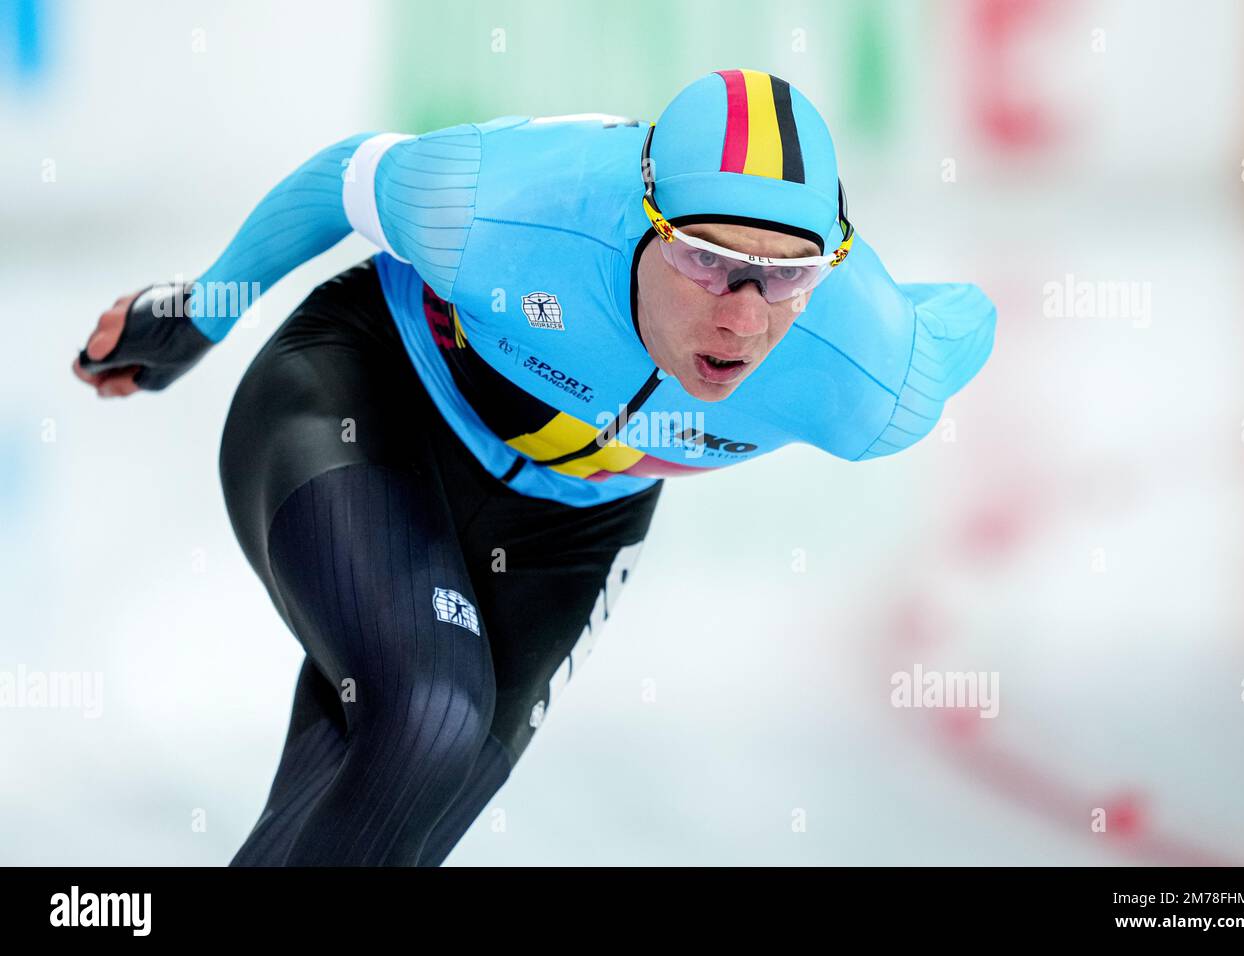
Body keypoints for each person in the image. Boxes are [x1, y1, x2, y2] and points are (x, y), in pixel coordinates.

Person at [71, 69, 996, 865]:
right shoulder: (504, 207)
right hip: (374, 393)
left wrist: (874, 309)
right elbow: (341, 180)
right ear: (647, 221)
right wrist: (200, 314)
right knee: (429, 716)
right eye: (708, 263)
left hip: (575, 523)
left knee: (410, 808)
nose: (744, 320)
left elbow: (969, 311)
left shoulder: (868, 374)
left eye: (788, 275)